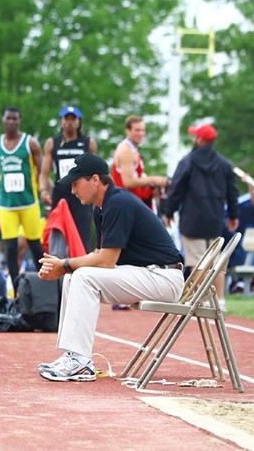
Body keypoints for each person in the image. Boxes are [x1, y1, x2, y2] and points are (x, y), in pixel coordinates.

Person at [36, 153, 184, 382]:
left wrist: (64, 264)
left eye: (76, 183)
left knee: (82, 276)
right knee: (74, 277)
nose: (72, 191)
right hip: (149, 273)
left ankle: (80, 363)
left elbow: (107, 260)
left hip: (164, 277)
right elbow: (99, 255)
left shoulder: (117, 203)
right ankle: (74, 356)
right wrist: (64, 266)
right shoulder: (101, 207)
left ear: (95, 180)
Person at [162, 124, 239, 305]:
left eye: (195, 136)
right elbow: (232, 192)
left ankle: (201, 299)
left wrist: (169, 211)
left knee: (196, 261)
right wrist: (233, 215)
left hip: (192, 219)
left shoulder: (187, 162)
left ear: (200, 140)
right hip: (214, 218)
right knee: (215, 262)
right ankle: (219, 300)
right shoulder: (224, 164)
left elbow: (176, 189)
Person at [0, 107, 46, 286]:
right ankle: (17, 289)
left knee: (35, 246)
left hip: (29, 203)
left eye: (15, 119)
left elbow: (42, 172)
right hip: (7, 205)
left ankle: (46, 286)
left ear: (19, 121)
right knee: (11, 248)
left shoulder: (30, 144)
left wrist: (46, 191)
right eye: (8, 118)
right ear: (3, 120)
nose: (11, 122)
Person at [39, 106, 98, 253]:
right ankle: (57, 265)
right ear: (61, 121)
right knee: (58, 234)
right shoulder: (52, 143)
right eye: (66, 119)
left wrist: (96, 193)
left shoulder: (88, 143)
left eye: (73, 119)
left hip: (82, 196)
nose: (70, 122)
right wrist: (43, 190)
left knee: (82, 236)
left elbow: (96, 170)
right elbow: (44, 173)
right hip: (61, 195)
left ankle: (83, 265)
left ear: (79, 122)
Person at [111, 115, 168, 209]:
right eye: (137, 130)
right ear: (128, 131)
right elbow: (128, 182)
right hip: (126, 205)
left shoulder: (131, 149)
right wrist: (154, 180)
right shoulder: (126, 151)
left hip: (130, 202)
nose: (141, 134)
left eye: (143, 130)